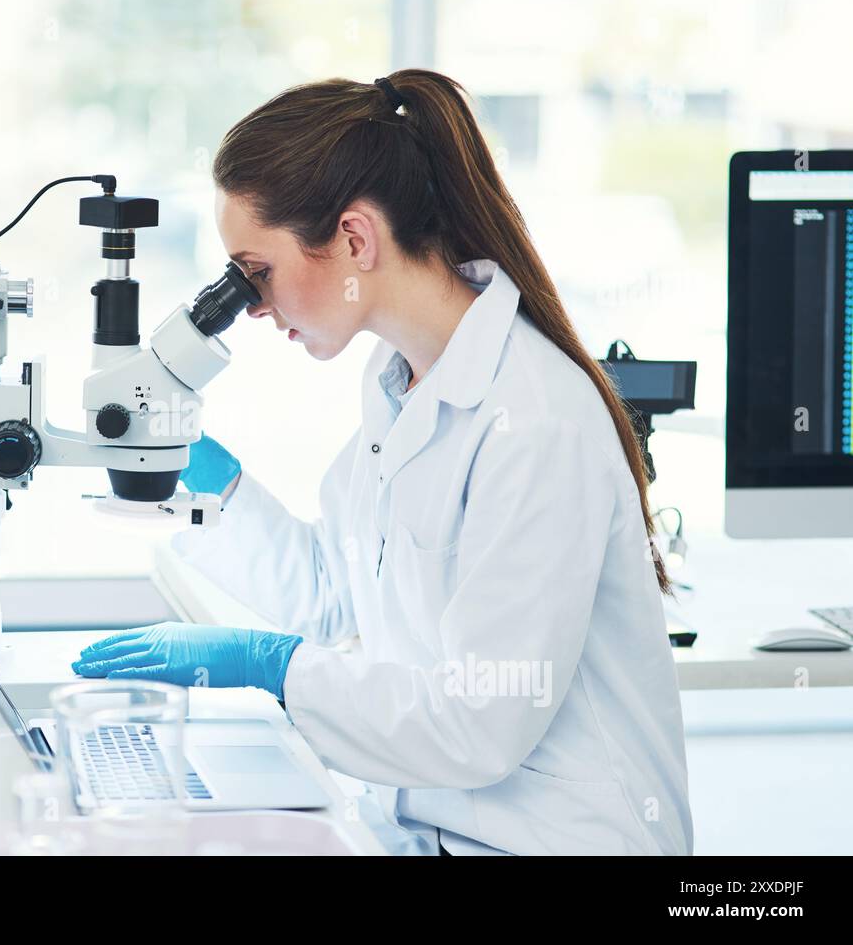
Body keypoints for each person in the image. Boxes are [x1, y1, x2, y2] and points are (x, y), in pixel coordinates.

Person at [73, 70, 692, 856]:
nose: (251, 307)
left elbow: (477, 721)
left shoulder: (535, 422)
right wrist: (200, 474)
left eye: (255, 273)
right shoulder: (400, 379)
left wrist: (272, 666)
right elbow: (340, 594)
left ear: (355, 240)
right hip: (431, 832)